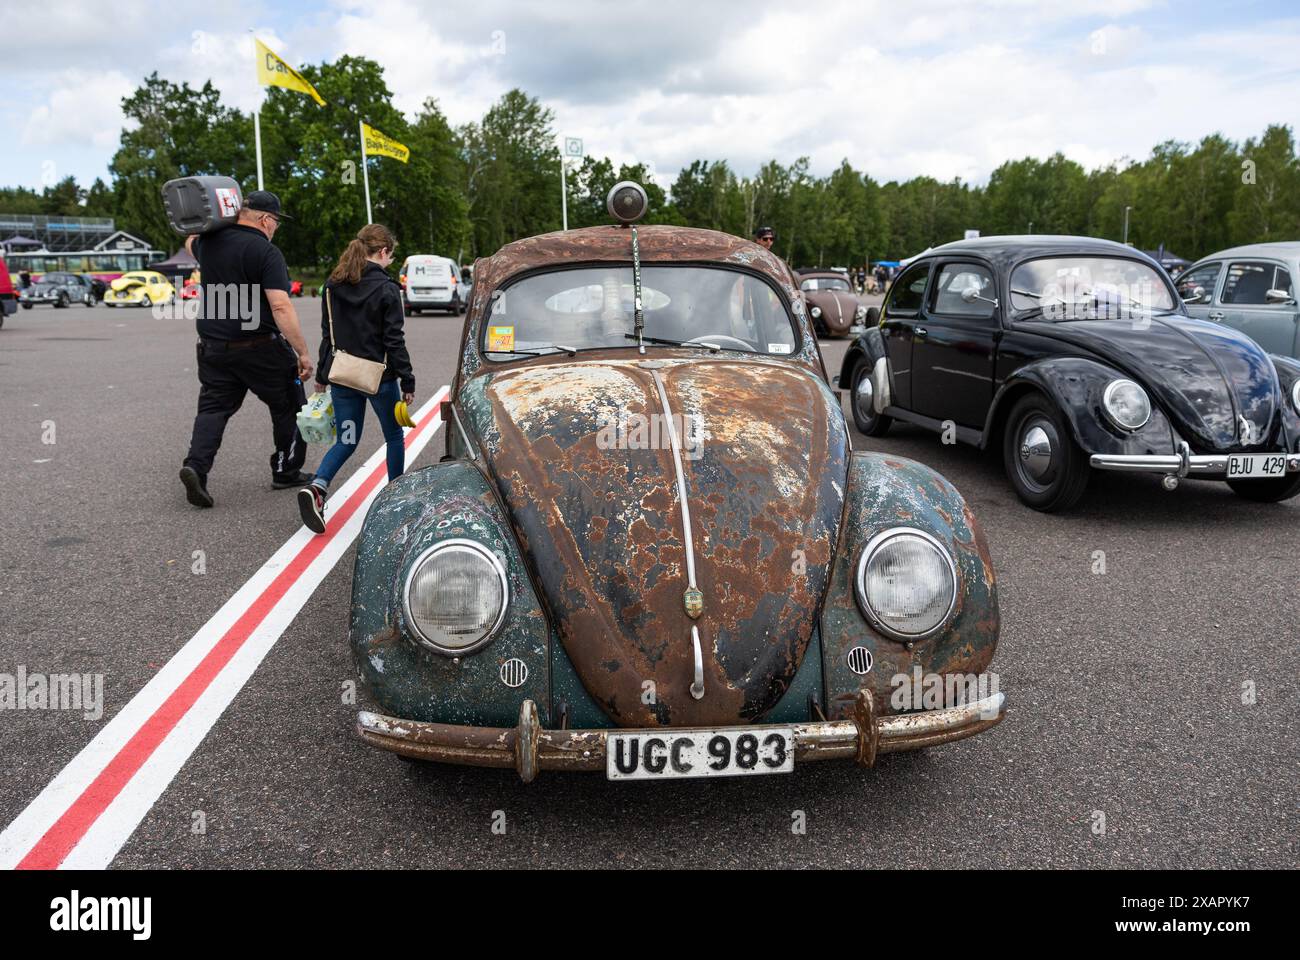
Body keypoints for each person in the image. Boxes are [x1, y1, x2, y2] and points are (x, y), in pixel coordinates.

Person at [179, 190, 315, 508]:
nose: (276, 228)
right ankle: (285, 470)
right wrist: (303, 352)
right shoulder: (265, 252)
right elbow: (280, 306)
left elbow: (189, 241)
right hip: (258, 348)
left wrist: (213, 223)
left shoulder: (209, 244)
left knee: (213, 409)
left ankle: (196, 467)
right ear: (266, 220)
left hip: (213, 347)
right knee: (290, 405)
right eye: (276, 222)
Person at [297, 225, 414, 535]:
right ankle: (394, 500)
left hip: (343, 375)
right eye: (392, 253)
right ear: (384, 252)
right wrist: (408, 379)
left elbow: (328, 335)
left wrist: (322, 375)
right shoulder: (387, 289)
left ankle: (318, 487)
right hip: (379, 379)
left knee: (346, 440)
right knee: (393, 437)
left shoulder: (333, 285)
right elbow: (394, 340)